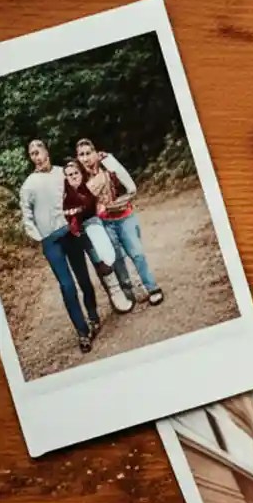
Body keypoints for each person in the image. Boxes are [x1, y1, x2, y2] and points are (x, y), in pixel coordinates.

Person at [19, 139, 100, 352]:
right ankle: (82, 332)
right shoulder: (28, 185)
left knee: (83, 278)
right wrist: (40, 237)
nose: (36, 156)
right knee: (67, 286)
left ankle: (93, 317)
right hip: (51, 241)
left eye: (39, 151)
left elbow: (78, 194)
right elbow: (26, 215)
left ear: (46, 151)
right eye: (32, 153)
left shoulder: (61, 173)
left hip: (70, 233)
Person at [76, 138, 164, 305]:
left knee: (137, 253)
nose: (86, 158)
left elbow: (131, 189)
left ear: (96, 153)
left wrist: (113, 203)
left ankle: (152, 287)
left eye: (88, 153)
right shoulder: (79, 177)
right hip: (104, 223)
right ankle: (128, 292)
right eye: (81, 155)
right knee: (116, 259)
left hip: (124, 216)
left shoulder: (109, 164)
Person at [62, 158, 134, 314]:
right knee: (82, 274)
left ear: (81, 173)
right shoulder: (64, 195)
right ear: (65, 178)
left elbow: (90, 207)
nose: (73, 176)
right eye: (69, 175)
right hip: (73, 234)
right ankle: (95, 311)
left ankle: (118, 293)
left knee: (103, 255)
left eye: (76, 173)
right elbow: (66, 214)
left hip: (91, 226)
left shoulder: (87, 189)